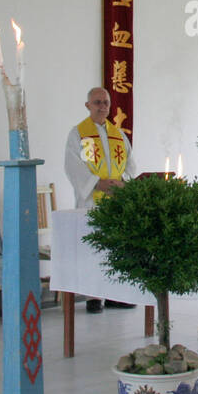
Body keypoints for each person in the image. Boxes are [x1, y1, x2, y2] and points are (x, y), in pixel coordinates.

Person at [64, 87, 139, 312]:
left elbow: (131, 165)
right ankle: (92, 297)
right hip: (91, 202)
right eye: (97, 102)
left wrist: (122, 182)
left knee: (115, 248)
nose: (102, 106)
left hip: (116, 201)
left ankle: (115, 294)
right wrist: (96, 183)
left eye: (106, 102)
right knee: (92, 249)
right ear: (88, 106)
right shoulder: (78, 133)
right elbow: (72, 165)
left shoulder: (119, 135)